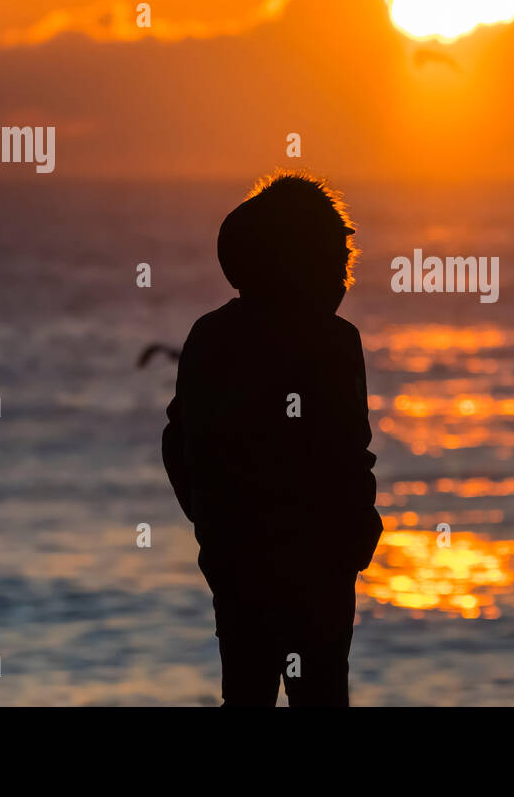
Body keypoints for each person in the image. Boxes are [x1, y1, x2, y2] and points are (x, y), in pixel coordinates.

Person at [162, 171, 382, 706]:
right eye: (334, 257)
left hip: (239, 563)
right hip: (314, 568)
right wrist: (356, 536)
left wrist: (213, 527)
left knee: (244, 694)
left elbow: (179, 444)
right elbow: (346, 454)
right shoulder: (332, 341)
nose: (343, 273)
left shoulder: (210, 336)